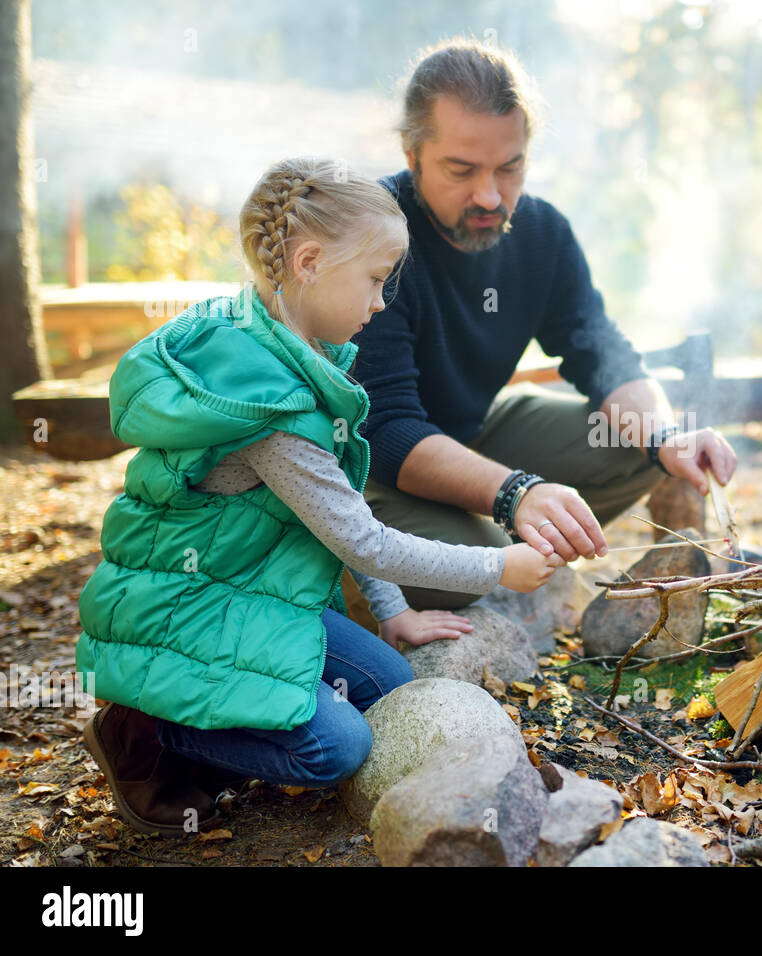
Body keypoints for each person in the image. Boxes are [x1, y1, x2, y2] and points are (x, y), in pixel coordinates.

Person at [74, 157, 560, 837]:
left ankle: (207, 719)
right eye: (375, 279)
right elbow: (363, 538)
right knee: (337, 748)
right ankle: (144, 729)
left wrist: (390, 612)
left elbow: (343, 505)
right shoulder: (268, 403)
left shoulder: (297, 350)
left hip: (246, 592)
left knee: (390, 687)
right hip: (184, 608)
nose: (382, 301)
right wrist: (496, 567)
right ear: (307, 261)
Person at [352, 39, 739, 611]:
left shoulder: (541, 233)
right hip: (367, 468)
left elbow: (600, 351)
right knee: (468, 564)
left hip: (475, 429)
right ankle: (443, 554)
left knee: (639, 445)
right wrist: (514, 493)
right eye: (461, 170)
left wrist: (666, 436)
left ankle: (499, 549)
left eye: (509, 169)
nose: (489, 196)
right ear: (412, 153)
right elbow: (385, 432)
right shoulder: (374, 234)